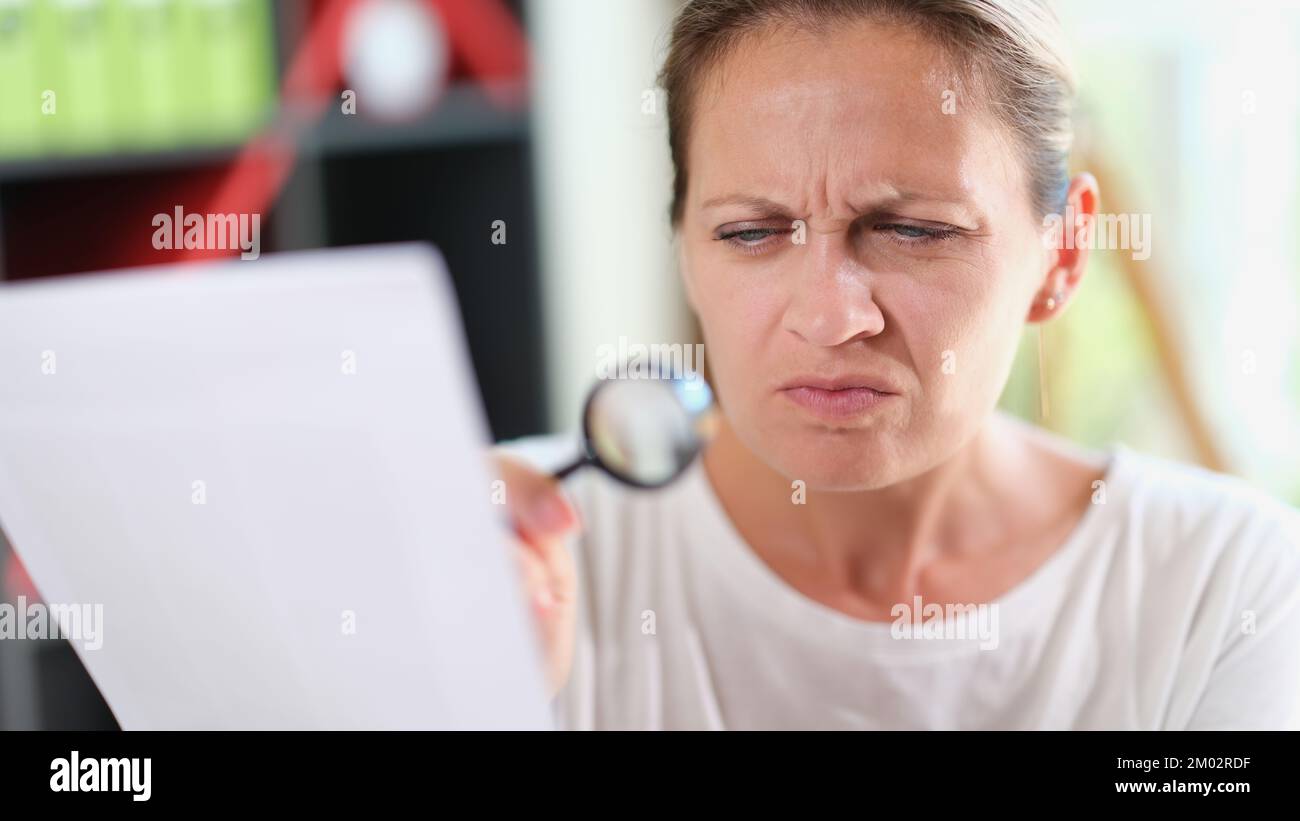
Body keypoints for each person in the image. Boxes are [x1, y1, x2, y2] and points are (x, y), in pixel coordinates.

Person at [494, 0, 1300, 730]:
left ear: (1062, 251)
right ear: (685, 250)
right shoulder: (511, 559)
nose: (830, 316)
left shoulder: (1222, 589)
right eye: (751, 232)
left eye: (914, 230)